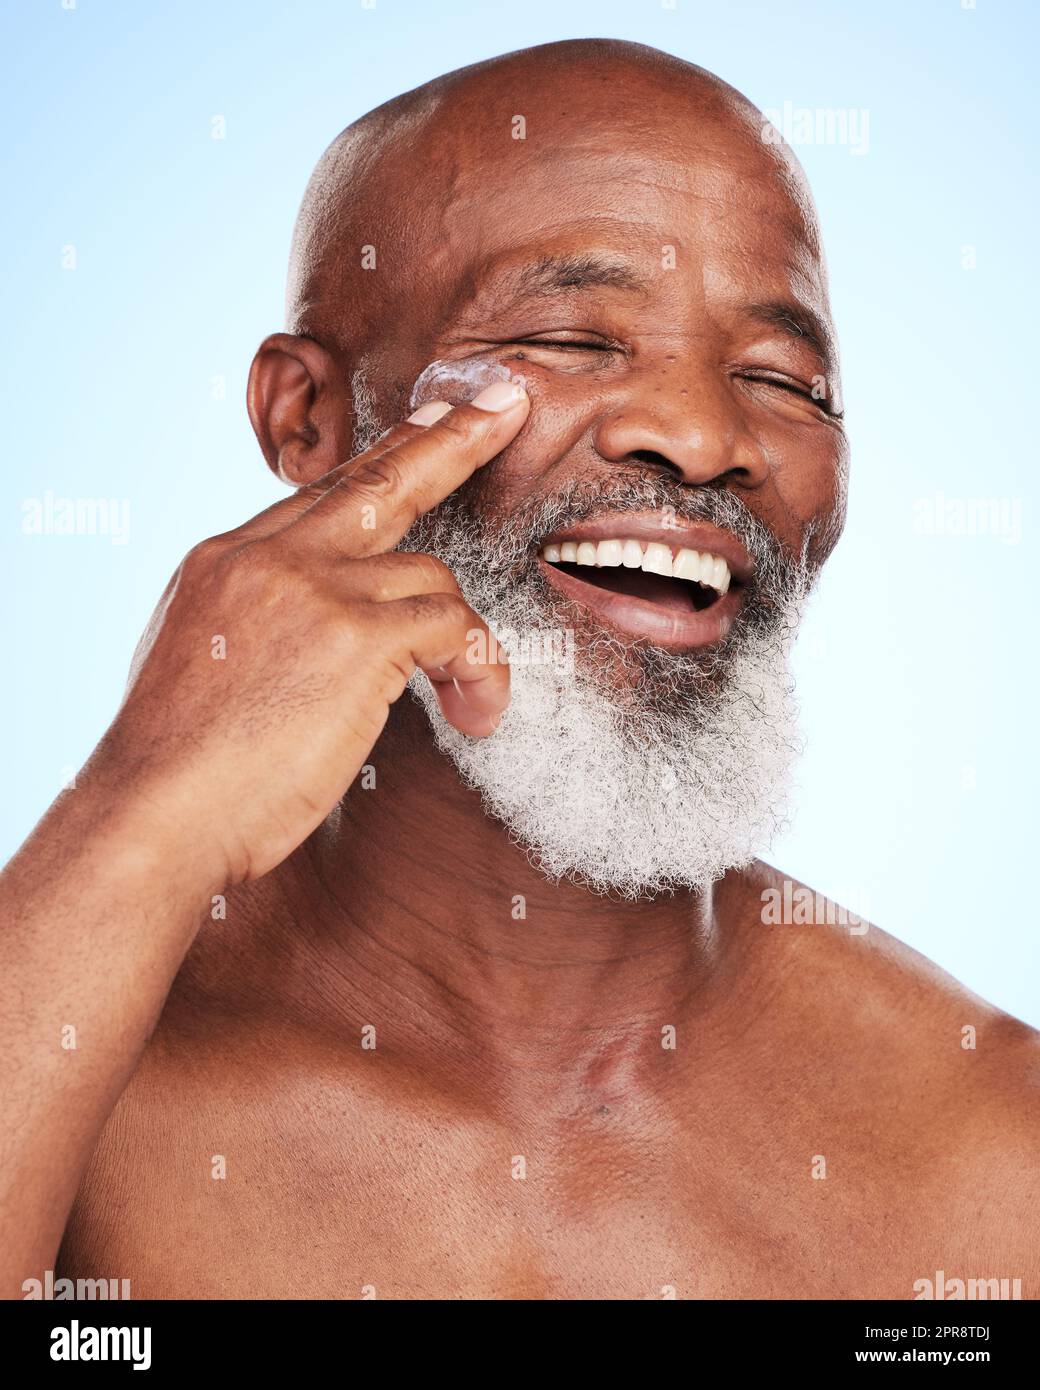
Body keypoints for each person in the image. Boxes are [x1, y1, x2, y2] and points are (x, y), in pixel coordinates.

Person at [3, 39, 1036, 1301]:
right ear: (307, 421)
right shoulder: (74, 1071)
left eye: (780, 380)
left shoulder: (991, 1152)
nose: (705, 438)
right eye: (567, 338)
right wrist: (134, 817)